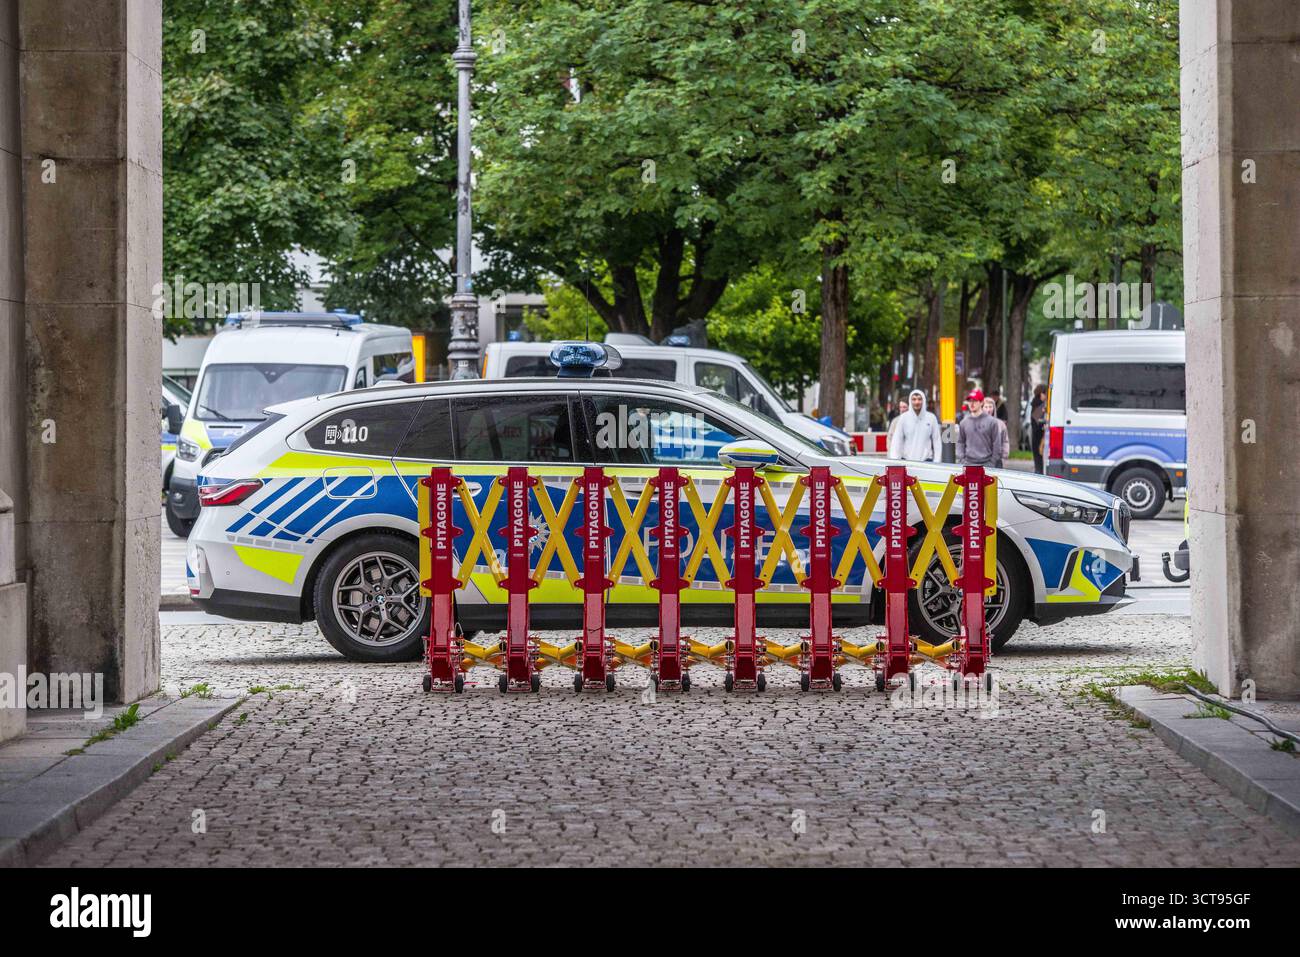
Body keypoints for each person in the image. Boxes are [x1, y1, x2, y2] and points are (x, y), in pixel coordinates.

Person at [888, 389, 942, 462]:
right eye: (914, 399)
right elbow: (897, 440)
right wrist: (895, 461)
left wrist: (937, 461)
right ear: (910, 401)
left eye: (919, 399)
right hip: (907, 461)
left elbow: (937, 441)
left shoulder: (931, 418)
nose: (917, 402)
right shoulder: (903, 418)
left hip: (926, 461)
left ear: (923, 401)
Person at [956, 389, 1002, 467]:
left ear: (981, 403)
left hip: (987, 465)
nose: (971, 404)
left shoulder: (992, 422)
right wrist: (962, 460)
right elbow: (960, 442)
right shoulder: (964, 422)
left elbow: (997, 444)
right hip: (968, 464)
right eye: (970, 401)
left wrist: (992, 463)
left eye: (975, 401)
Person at [984, 396, 1010, 468]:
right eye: (986, 407)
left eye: (990, 407)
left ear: (994, 408)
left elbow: (1005, 441)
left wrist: (1003, 458)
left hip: (997, 462)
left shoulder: (1000, 424)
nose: (988, 410)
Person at [1030, 383, 1047, 473]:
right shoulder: (1039, 406)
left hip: (1035, 436)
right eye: (1045, 394)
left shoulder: (1035, 404)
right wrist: (1043, 426)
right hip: (1038, 437)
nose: (1046, 396)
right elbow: (1036, 423)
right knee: (1039, 462)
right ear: (1041, 394)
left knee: (1038, 460)